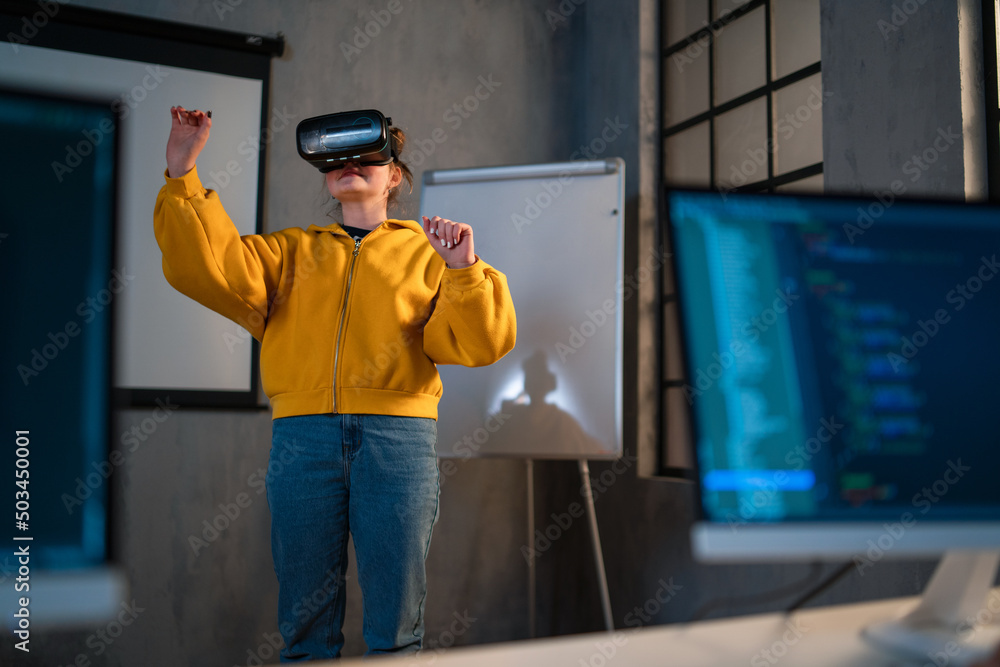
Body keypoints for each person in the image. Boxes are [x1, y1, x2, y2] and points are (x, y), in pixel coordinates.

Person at [153, 106, 516, 661]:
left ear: (395, 175)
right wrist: (183, 170)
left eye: (370, 155)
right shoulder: (286, 253)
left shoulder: (430, 255)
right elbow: (210, 266)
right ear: (324, 173)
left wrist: (463, 268)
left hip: (398, 442)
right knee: (304, 627)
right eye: (337, 158)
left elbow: (478, 342)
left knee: (395, 630)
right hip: (304, 441)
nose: (351, 164)